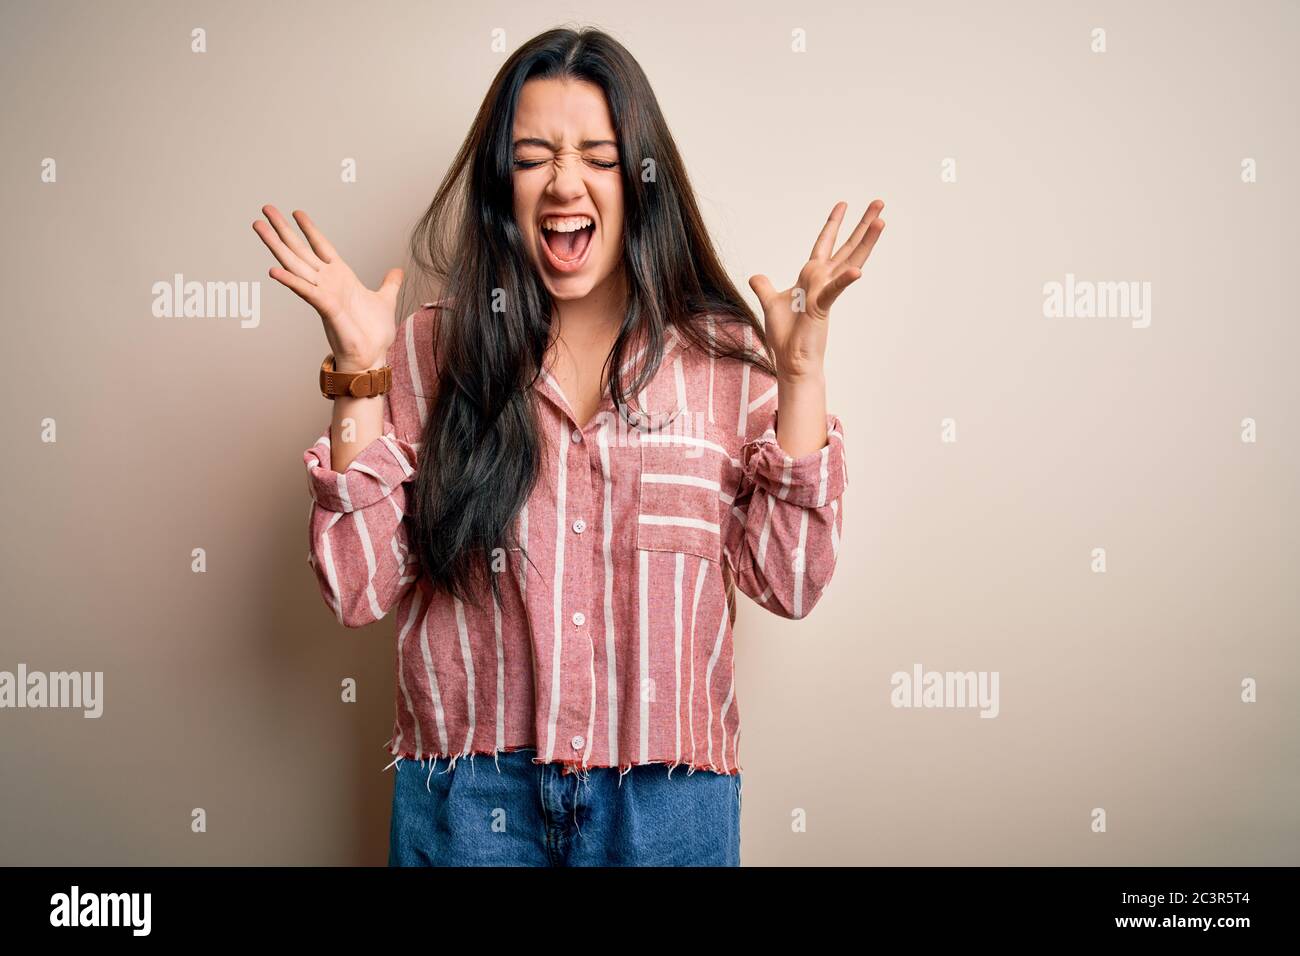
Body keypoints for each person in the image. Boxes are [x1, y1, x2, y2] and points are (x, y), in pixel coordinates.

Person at [253, 25, 884, 867]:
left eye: (597, 155)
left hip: (668, 808)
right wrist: (361, 372)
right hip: (467, 804)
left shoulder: (723, 361)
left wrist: (800, 375)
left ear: (640, 179)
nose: (563, 182)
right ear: (499, 183)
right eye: (531, 156)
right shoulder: (431, 351)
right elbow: (356, 587)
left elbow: (791, 578)